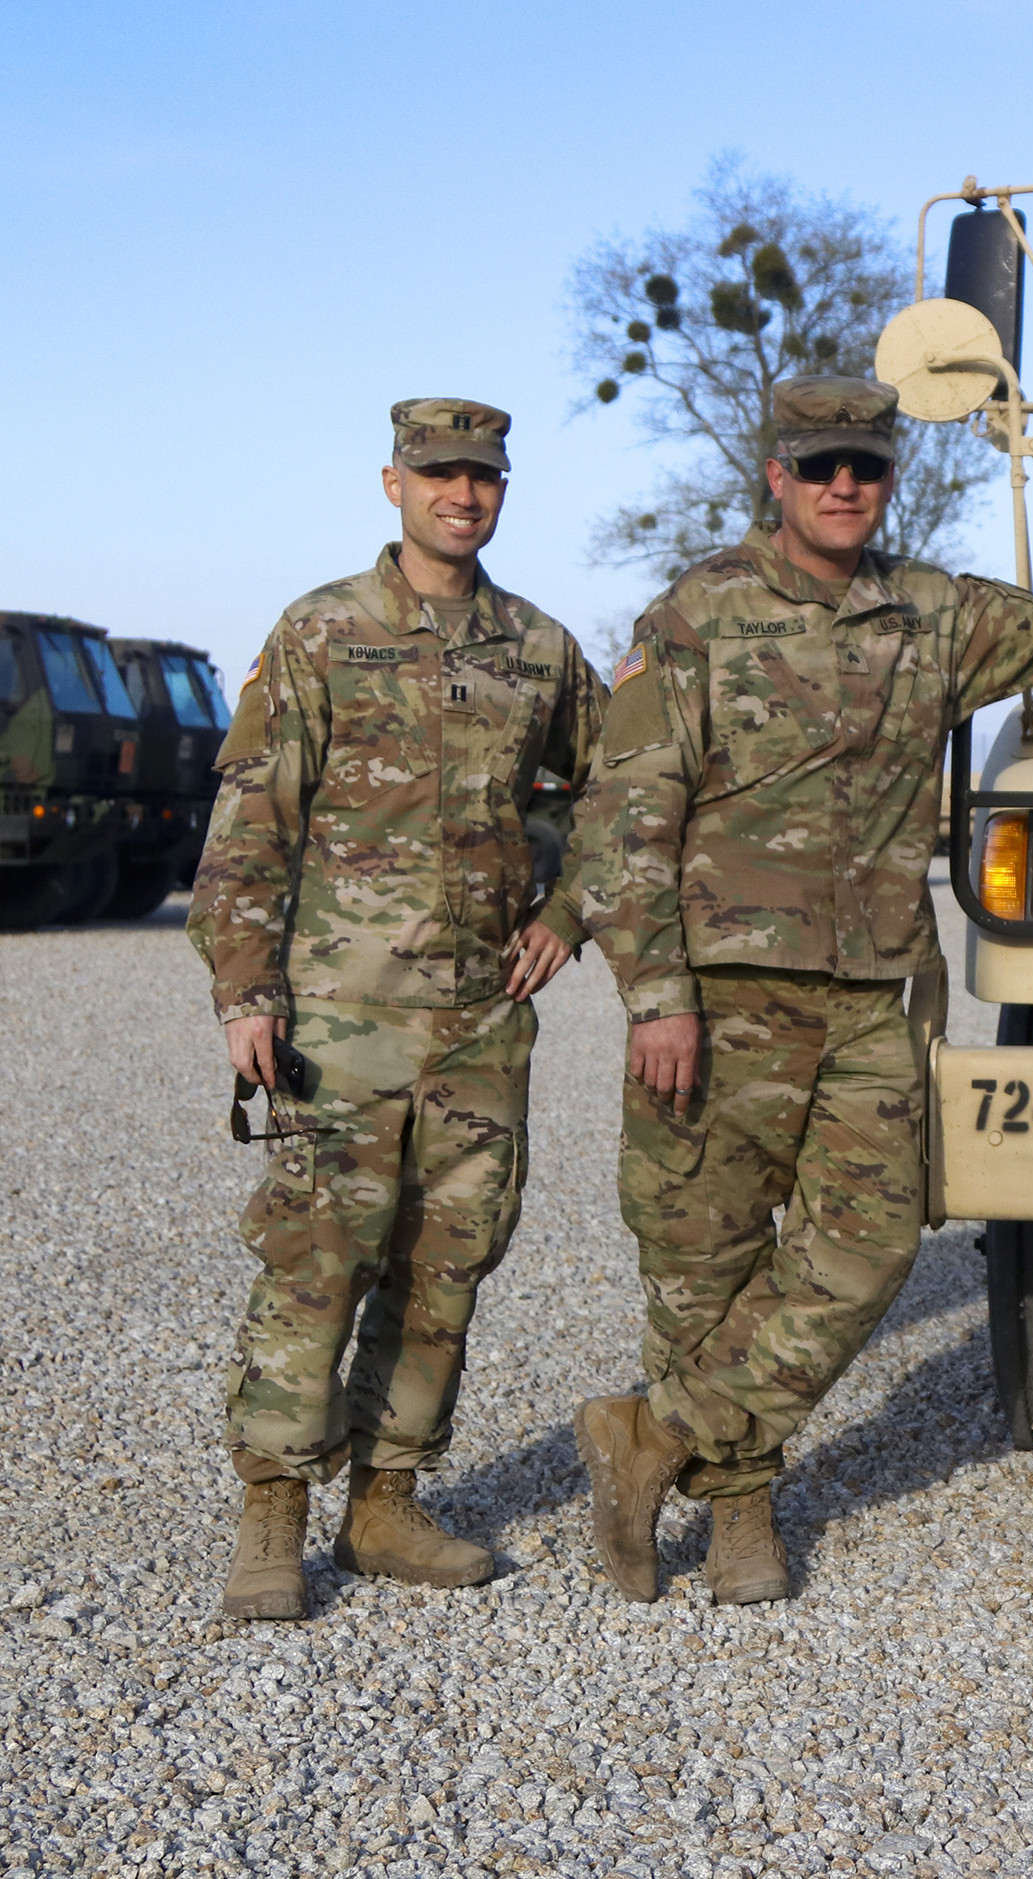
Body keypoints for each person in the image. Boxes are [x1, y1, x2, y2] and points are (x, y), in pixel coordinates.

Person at [569, 375, 1033, 1606]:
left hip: (872, 988)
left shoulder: (931, 612)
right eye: (820, 466)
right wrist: (655, 996)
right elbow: (626, 815)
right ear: (775, 478)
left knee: (870, 1241)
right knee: (706, 1256)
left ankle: (656, 1432)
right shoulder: (700, 614)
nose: (844, 485)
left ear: (887, 478)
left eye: (866, 465)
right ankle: (741, 1514)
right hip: (724, 988)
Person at [192, 399, 604, 1620]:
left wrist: (563, 913)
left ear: (500, 491)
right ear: (393, 483)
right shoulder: (321, 631)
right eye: (439, 475)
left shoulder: (538, 647)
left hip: (480, 1021)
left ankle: (386, 1501)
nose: (461, 495)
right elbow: (250, 816)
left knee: (447, 1263)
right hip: (339, 1011)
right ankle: (274, 1507)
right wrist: (245, 988)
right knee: (317, 1259)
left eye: (482, 477)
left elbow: (614, 793)